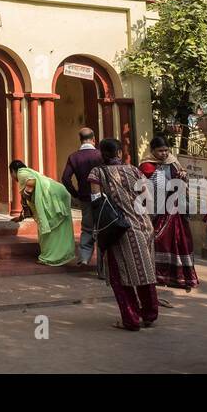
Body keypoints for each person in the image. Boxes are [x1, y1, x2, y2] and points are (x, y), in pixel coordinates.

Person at [88, 139, 159, 331]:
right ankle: (150, 314)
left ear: (101, 153)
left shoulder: (97, 173)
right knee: (144, 271)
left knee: (120, 275)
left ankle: (131, 318)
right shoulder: (134, 170)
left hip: (119, 229)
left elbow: (96, 201)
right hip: (143, 225)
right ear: (119, 152)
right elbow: (147, 197)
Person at [139, 136, 198, 291]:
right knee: (160, 239)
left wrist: (183, 176)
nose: (164, 154)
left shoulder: (172, 161)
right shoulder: (146, 165)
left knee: (180, 239)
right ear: (152, 151)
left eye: (166, 150)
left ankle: (180, 276)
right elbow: (145, 186)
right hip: (158, 209)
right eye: (160, 151)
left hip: (175, 207)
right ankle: (159, 274)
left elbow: (181, 178)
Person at [11, 160, 76, 266]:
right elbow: (30, 209)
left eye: (11, 174)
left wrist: (25, 196)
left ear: (13, 171)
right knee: (59, 229)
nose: (12, 177)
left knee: (47, 229)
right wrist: (21, 217)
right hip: (60, 194)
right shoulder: (30, 172)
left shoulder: (21, 172)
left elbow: (31, 182)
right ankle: (61, 256)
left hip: (54, 197)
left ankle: (48, 258)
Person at [60, 127, 106, 268]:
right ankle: (102, 263)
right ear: (94, 139)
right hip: (103, 198)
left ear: (80, 140)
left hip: (85, 197)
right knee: (103, 228)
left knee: (87, 228)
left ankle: (84, 257)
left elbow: (65, 178)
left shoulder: (74, 157)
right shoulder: (100, 155)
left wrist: (75, 194)